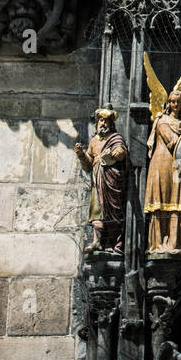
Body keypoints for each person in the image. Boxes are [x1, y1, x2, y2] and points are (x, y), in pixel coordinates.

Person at [145, 84, 181, 255]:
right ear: (168, 103)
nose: (175, 104)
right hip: (163, 164)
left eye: (178, 102)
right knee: (161, 201)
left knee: (179, 202)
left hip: (179, 165)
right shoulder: (162, 121)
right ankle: (159, 243)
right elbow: (174, 141)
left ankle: (177, 243)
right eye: (172, 101)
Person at [74, 108, 129, 254]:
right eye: (101, 120)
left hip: (112, 180)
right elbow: (88, 165)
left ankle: (113, 242)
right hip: (97, 180)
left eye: (106, 121)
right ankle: (97, 242)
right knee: (97, 210)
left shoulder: (116, 138)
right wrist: (81, 155)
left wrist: (119, 152)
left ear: (111, 123)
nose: (103, 124)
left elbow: (121, 150)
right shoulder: (93, 141)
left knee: (113, 211)